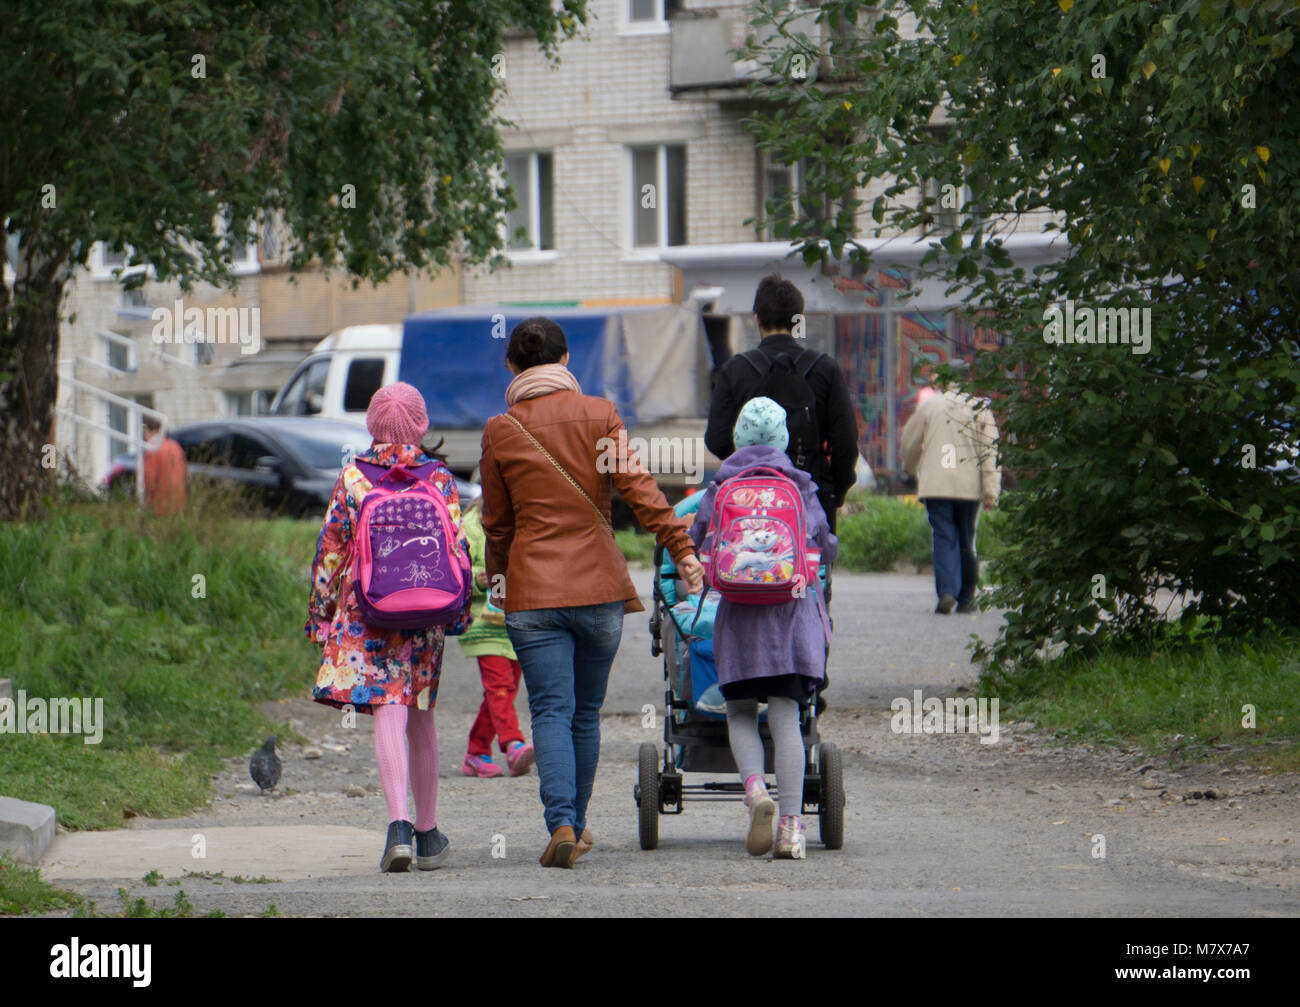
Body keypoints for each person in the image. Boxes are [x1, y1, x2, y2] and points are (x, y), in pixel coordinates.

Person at [479, 317, 704, 868]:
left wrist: (500, 580)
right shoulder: (600, 414)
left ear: (511, 365)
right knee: (585, 714)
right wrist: (682, 546)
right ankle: (574, 827)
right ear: (566, 360)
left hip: (533, 593)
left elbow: (498, 525)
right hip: (599, 591)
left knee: (550, 712)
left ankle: (560, 823)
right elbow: (641, 491)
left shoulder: (500, 430)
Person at [306, 382, 468, 872]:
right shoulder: (438, 478)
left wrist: (321, 615)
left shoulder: (354, 477)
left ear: (373, 424)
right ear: (419, 424)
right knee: (420, 715)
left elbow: (331, 550)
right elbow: (456, 549)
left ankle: (397, 827)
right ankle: (428, 833)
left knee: (387, 711)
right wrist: (456, 614)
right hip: (426, 613)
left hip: (367, 613)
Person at [689, 397, 836, 859]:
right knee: (786, 717)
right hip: (790, 621)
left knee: (739, 713)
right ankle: (791, 829)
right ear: (783, 441)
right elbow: (825, 546)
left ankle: (755, 793)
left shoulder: (722, 486)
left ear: (737, 439)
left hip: (739, 621)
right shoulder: (800, 486)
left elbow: (696, 541)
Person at [704, 275, 858, 535]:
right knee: (809, 570)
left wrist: (746, 465)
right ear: (798, 319)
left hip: (746, 503)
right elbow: (846, 443)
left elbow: (716, 439)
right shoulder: (824, 369)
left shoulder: (735, 370)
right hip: (811, 501)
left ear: (757, 319)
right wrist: (832, 494)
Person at [900, 367, 1001, 614]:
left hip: (936, 484)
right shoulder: (981, 409)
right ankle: (967, 597)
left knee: (944, 537)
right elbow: (990, 452)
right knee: (967, 538)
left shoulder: (930, 406)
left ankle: (946, 592)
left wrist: (911, 469)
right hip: (969, 486)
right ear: (968, 380)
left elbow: (909, 442)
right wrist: (991, 492)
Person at [456, 497, 535, 779]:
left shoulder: (526, 519)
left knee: (503, 689)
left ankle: (476, 753)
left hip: (517, 622)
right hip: (484, 623)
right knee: (500, 685)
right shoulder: (471, 525)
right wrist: (479, 578)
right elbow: (455, 567)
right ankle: (513, 744)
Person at [141, 415, 186, 515]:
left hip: (160, 504)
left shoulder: (153, 449)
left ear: (149, 431)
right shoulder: (175, 446)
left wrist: (146, 501)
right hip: (178, 501)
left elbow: (149, 480)